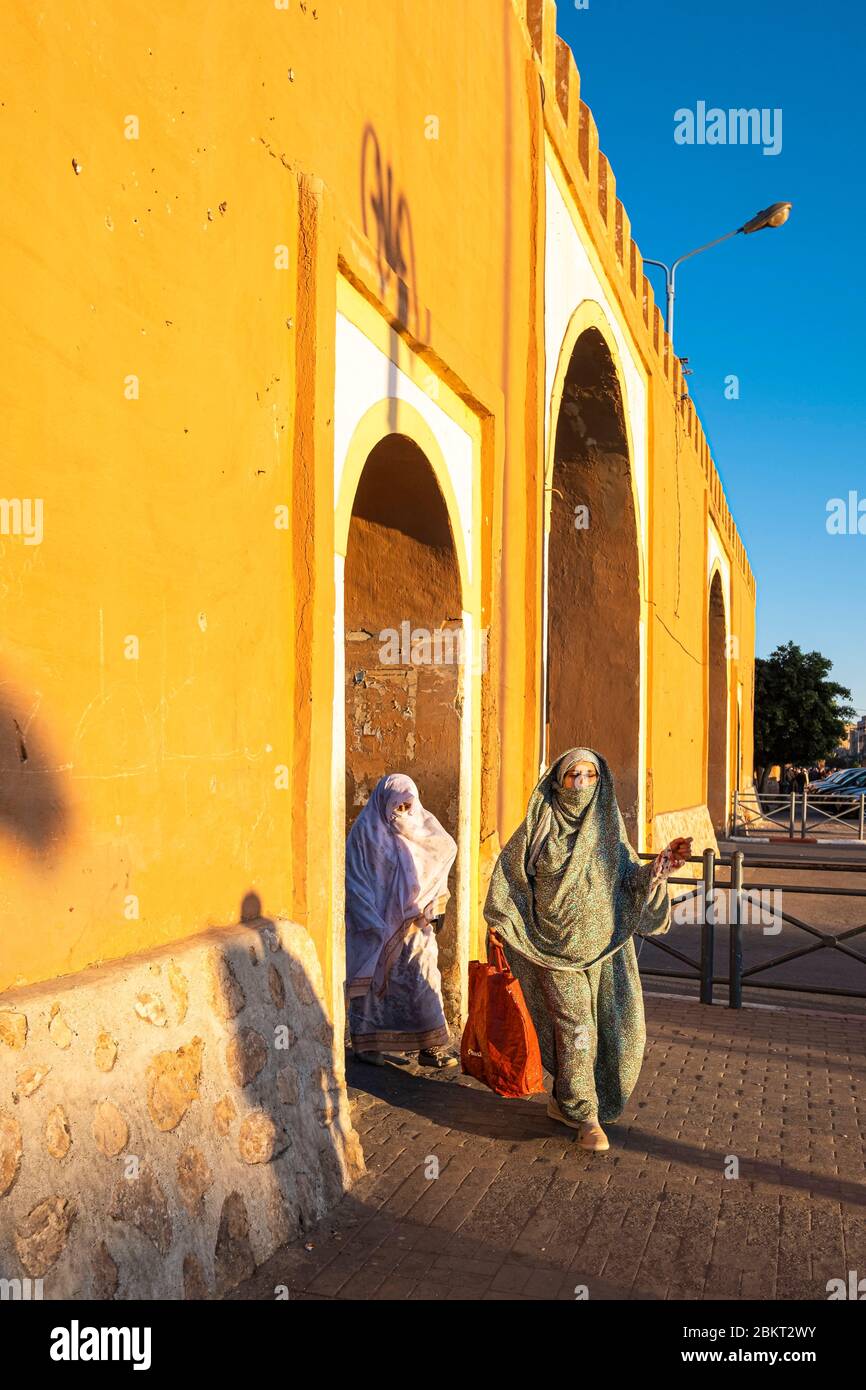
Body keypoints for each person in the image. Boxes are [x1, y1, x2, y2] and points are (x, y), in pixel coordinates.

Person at [484, 747, 691, 1152]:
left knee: (608, 1030)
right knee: (577, 1028)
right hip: (551, 951)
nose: (580, 784)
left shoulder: (609, 834)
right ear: (558, 782)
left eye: (589, 776)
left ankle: (566, 1100)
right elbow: (509, 878)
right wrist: (503, 924)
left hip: (602, 953)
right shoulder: (538, 828)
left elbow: (633, 880)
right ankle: (587, 1119)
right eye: (572, 775)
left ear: (601, 782)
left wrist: (663, 864)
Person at [345, 773, 458, 1068]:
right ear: (384, 803)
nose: (403, 814)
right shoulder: (365, 833)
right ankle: (368, 1046)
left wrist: (436, 903)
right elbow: (355, 879)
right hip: (376, 925)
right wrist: (370, 920)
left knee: (423, 980)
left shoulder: (423, 829)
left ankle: (430, 1047)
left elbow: (444, 851)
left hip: (415, 923)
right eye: (397, 808)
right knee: (372, 988)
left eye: (408, 806)